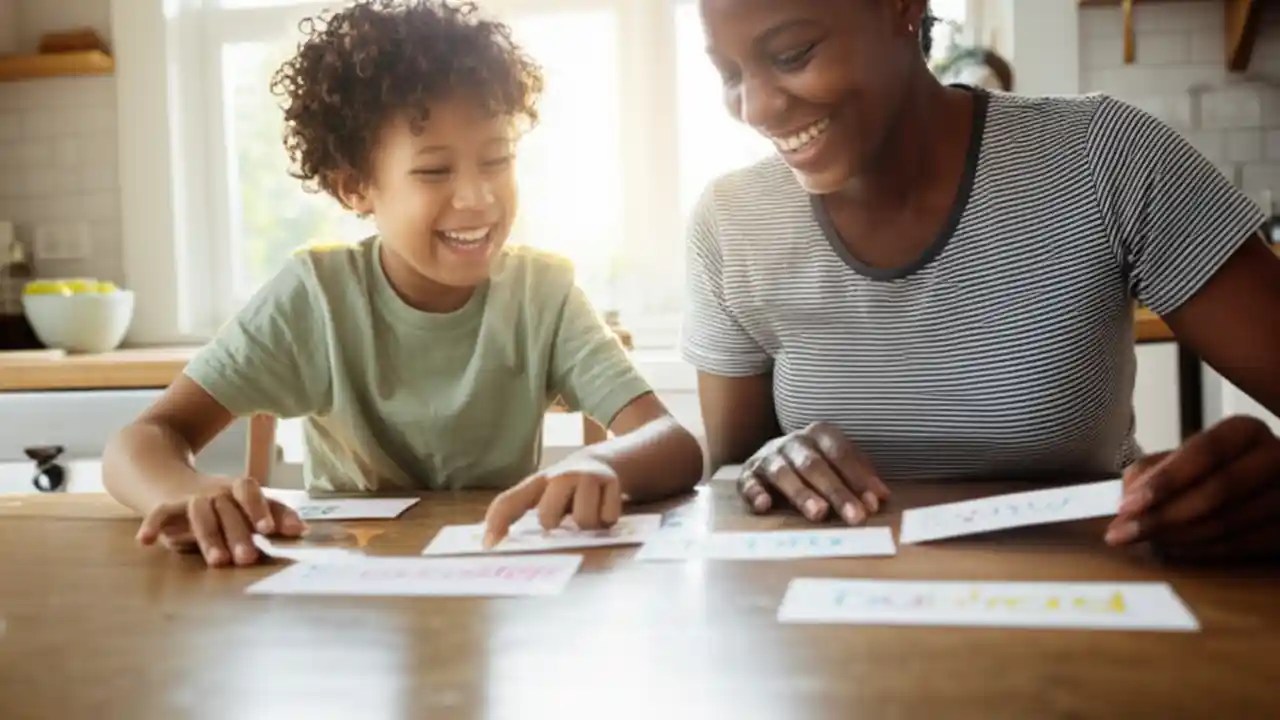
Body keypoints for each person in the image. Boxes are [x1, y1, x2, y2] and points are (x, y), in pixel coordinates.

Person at [102, 0, 703, 568]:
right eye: (434, 171)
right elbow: (145, 438)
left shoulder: (542, 294)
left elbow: (671, 442)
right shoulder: (317, 298)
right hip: (353, 590)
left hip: (498, 574)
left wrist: (603, 462)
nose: (478, 197)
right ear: (353, 187)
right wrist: (181, 489)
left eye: (497, 160)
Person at [684, 0, 1280, 560]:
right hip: (838, 633)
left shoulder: (1103, 159)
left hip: (1085, 618)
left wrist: (1257, 488)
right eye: (729, 72)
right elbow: (732, 478)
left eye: (792, 55)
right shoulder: (731, 222)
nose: (754, 108)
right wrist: (766, 463)